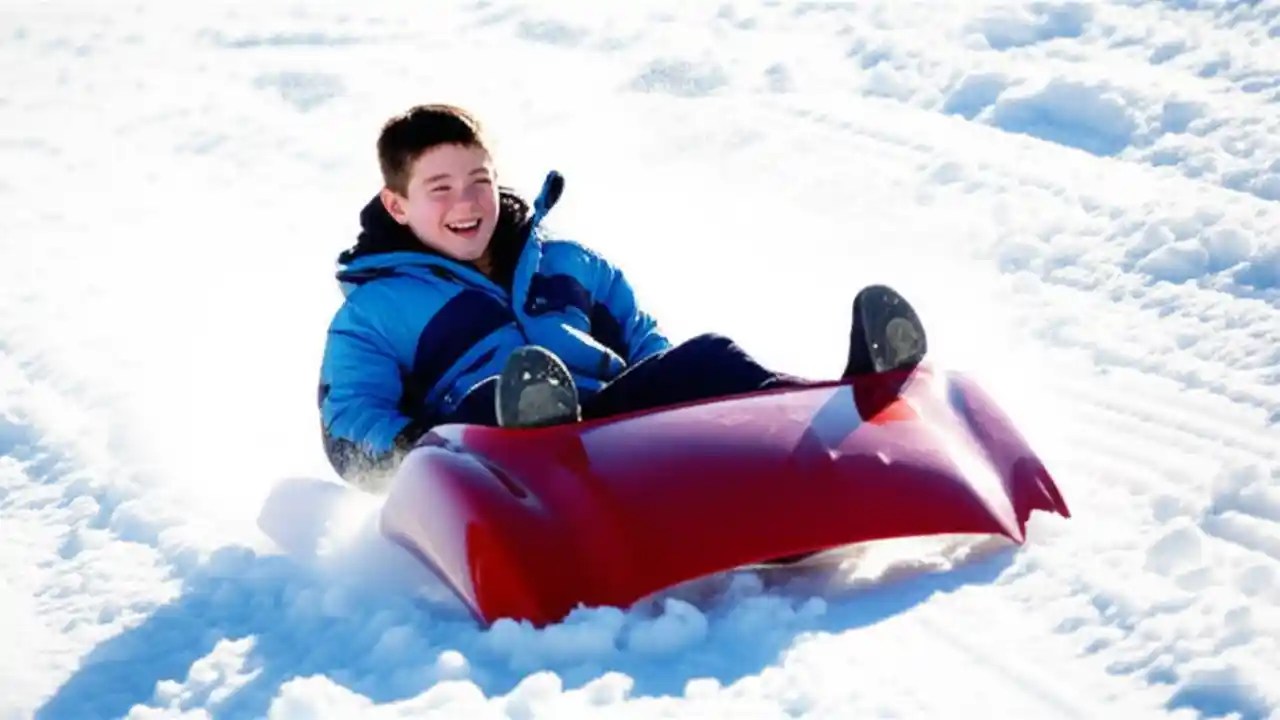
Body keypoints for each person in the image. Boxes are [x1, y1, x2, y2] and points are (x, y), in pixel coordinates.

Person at [318, 104, 927, 491]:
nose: (467, 203)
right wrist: (414, 454)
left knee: (708, 355)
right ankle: (533, 425)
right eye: (440, 188)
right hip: (488, 458)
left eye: (480, 180)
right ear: (397, 205)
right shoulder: (373, 311)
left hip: (607, 429)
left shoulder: (568, 264)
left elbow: (644, 346)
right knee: (500, 398)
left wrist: (685, 394)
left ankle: (843, 410)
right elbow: (348, 424)